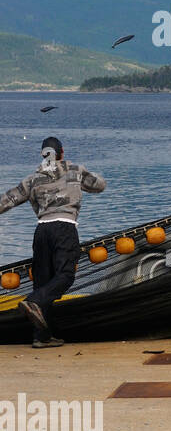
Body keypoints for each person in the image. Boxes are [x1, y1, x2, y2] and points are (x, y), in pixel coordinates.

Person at [0, 137, 106, 347]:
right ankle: (34, 301)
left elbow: (7, 200)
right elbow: (99, 186)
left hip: (42, 232)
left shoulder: (33, 179)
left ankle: (42, 337)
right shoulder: (74, 170)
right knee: (65, 276)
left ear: (42, 154)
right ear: (62, 152)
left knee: (43, 281)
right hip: (64, 228)